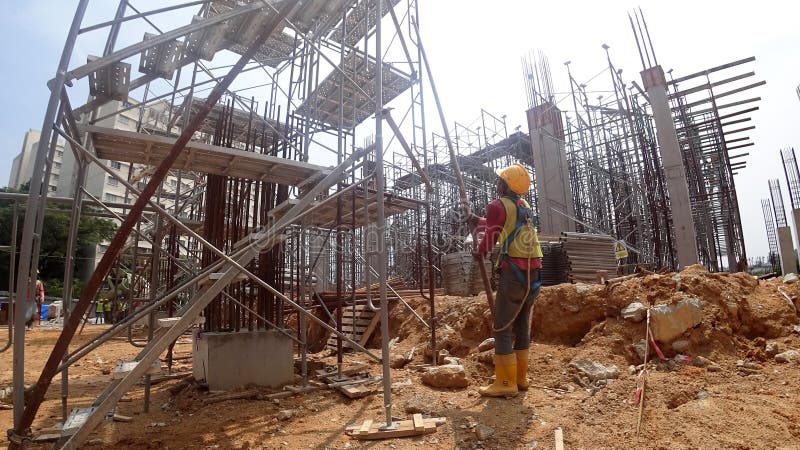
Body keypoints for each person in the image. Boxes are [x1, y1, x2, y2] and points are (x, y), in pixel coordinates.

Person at [471, 163, 543, 397]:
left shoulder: (497, 205)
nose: (496, 184)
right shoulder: (524, 206)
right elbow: (502, 225)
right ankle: (520, 378)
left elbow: (493, 232)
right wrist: (479, 221)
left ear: (504, 184)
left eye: (499, 180)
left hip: (513, 272)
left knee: (501, 326)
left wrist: (480, 251)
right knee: (521, 323)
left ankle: (504, 383)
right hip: (534, 274)